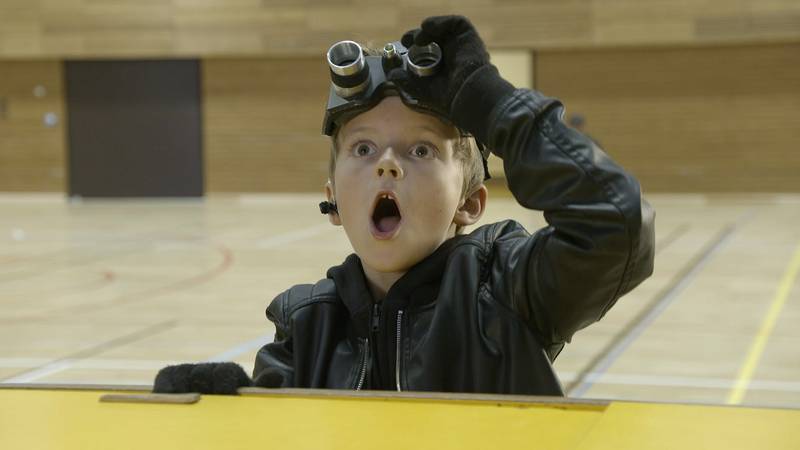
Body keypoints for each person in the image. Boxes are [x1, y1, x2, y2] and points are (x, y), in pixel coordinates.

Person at [153, 15, 655, 396]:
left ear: (470, 203)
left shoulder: (507, 294)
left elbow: (616, 224)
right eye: (363, 148)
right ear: (333, 197)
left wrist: (490, 103)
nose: (387, 166)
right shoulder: (306, 328)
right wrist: (232, 415)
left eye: (421, 151)